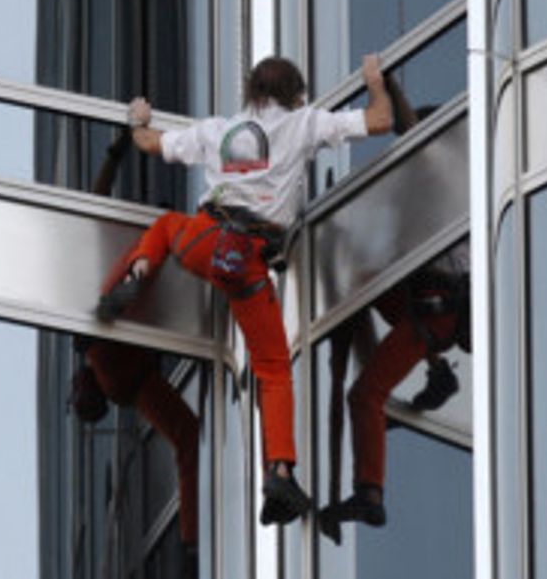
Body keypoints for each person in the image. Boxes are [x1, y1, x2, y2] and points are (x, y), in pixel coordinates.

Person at [96, 54, 394, 525]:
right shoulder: (304, 123)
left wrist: (137, 119)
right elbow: (381, 120)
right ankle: (278, 471)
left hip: (202, 240)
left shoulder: (217, 129)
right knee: (273, 368)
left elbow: (151, 143)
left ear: (251, 92)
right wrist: (374, 81)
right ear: (295, 93)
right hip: (246, 258)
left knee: (168, 225)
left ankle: (138, 271)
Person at [317, 76, 471, 544]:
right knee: (363, 283)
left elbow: (411, 133)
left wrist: (392, 86)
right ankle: (437, 371)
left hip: (433, 309)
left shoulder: (443, 169)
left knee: (364, 396)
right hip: (425, 301)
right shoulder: (449, 188)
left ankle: (370, 493)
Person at [69, 130, 201, 574]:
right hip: (141, 284)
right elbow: (185, 436)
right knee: (116, 293)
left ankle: (150, 257)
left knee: (113, 293)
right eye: (87, 401)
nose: (81, 391)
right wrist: (189, 540)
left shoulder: (107, 368)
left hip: (134, 285)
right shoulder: (117, 379)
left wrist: (117, 149)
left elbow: (96, 202)